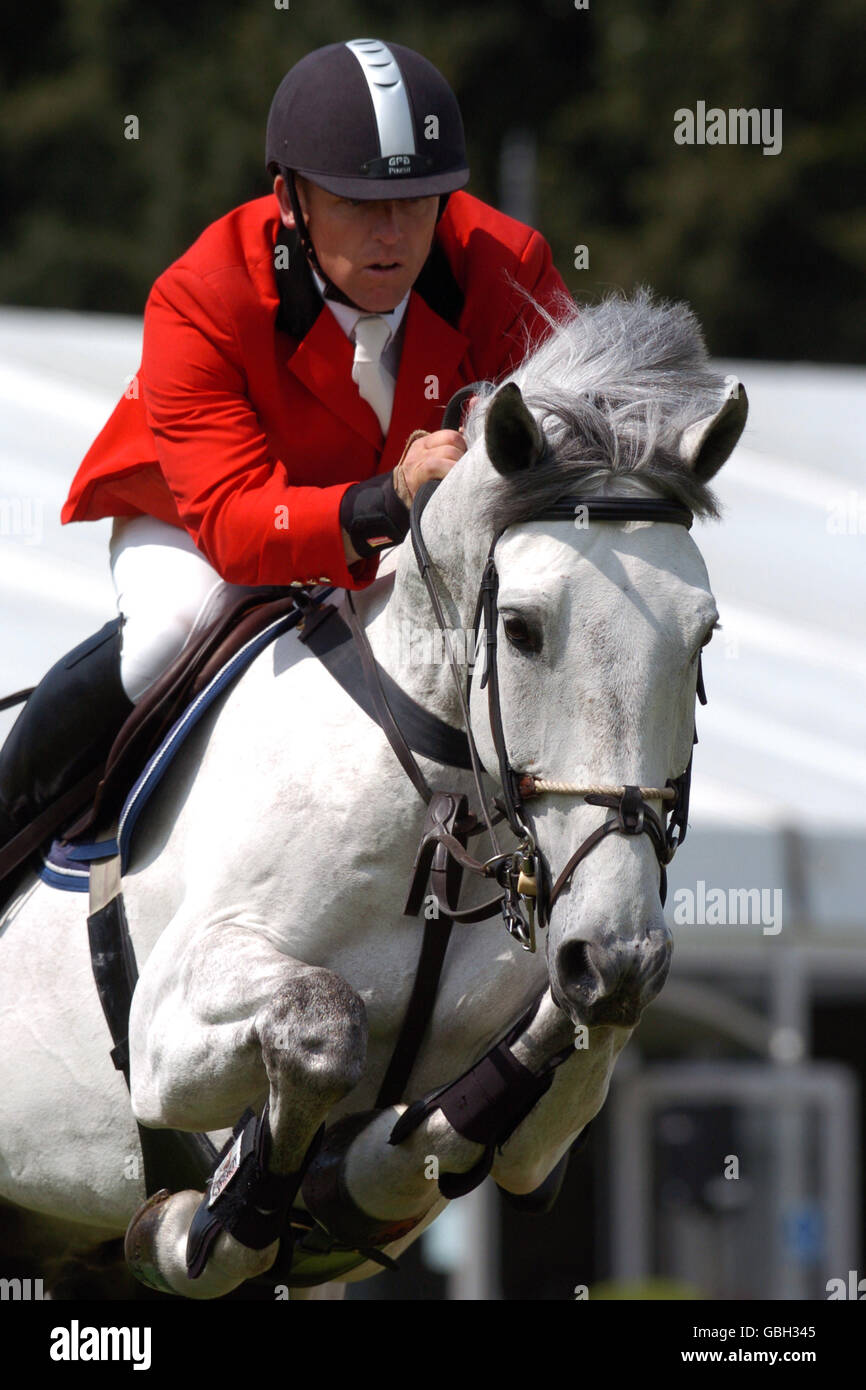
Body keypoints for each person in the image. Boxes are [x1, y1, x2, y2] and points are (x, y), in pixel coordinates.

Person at [0, 36, 570, 864]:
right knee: (169, 631)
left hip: (394, 531)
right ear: (292, 199)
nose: (394, 233)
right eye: (358, 203)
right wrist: (385, 498)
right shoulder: (205, 295)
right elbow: (236, 523)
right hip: (201, 521)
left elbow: (572, 435)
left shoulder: (506, 265)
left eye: (418, 201)